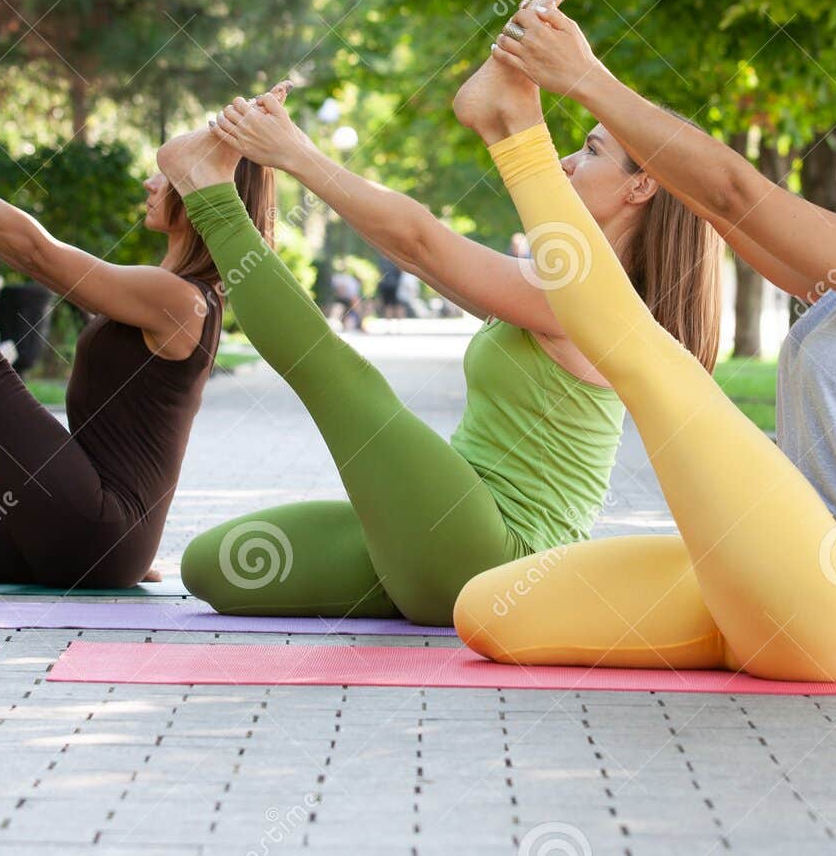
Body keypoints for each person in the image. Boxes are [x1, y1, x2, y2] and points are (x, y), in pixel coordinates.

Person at [452, 0, 836, 681]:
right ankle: (506, 121)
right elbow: (725, 210)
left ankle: (510, 131)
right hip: (770, 584)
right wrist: (641, 155)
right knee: (489, 610)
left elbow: (737, 192)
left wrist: (586, 79)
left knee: (648, 355)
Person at [161, 76, 722, 627]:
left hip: (504, 556)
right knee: (214, 565)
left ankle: (208, 187)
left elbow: (422, 238)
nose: (568, 163)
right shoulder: (563, 284)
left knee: (339, 379)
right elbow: (419, 257)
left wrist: (297, 154)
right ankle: (414, 572)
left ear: (641, 185)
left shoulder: (596, 295)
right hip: (450, 530)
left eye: (592, 151)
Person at [0, 91, 276, 588]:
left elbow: (38, 252)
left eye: (166, 176)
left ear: (199, 194)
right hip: (84, 523)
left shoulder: (181, 299)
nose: (150, 183)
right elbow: (33, 258)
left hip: (98, 525)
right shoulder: (162, 291)